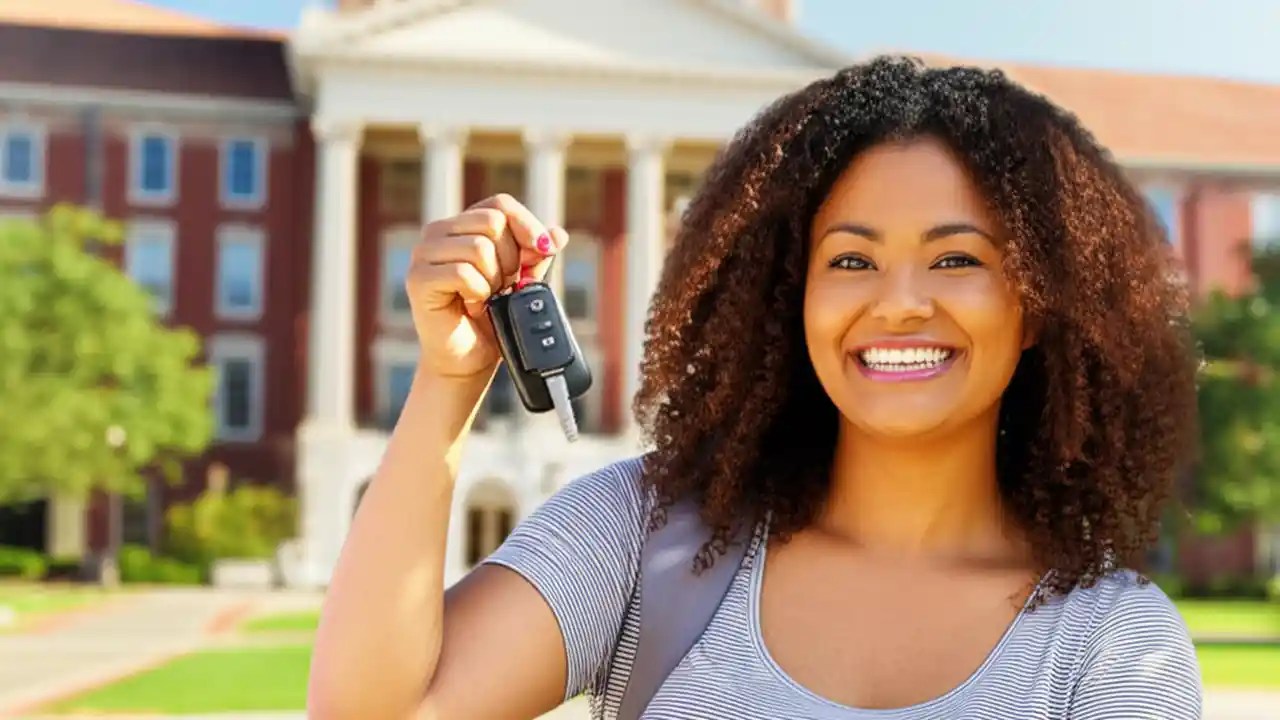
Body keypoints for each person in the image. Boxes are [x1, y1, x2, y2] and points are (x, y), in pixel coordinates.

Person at [307, 56, 1203, 719]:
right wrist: (447, 383)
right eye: (850, 258)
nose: (898, 303)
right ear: (792, 296)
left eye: (956, 258)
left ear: (1039, 306)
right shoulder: (640, 537)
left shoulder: (1112, 647)